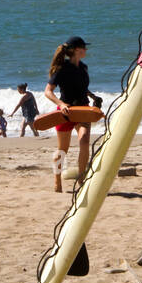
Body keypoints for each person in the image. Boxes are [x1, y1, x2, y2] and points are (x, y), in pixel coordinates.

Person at [45, 36, 103, 194]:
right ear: (77, 50)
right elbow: (48, 91)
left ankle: (81, 178)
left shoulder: (84, 67)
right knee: (62, 149)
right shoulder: (62, 69)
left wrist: (93, 97)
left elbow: (82, 88)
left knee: (84, 142)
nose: (86, 50)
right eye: (84, 47)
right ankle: (57, 179)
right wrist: (61, 104)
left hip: (83, 111)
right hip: (66, 112)